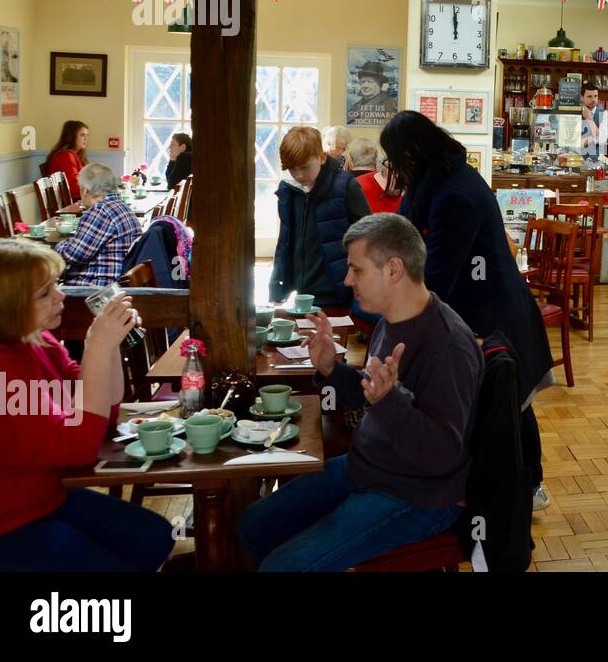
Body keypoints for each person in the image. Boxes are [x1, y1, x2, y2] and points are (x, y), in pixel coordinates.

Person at [238, 215, 481, 571]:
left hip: (417, 494)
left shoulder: (447, 346)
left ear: (393, 269)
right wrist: (330, 370)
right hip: (367, 468)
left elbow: (442, 454)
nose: (347, 279)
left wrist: (387, 402)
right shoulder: (390, 319)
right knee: (251, 526)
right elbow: (371, 392)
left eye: (357, 270)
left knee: (281, 567)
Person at [381, 110, 555, 511]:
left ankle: (522, 490)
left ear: (411, 155)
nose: (395, 171)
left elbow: (439, 273)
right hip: (493, 307)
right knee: (512, 403)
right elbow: (405, 230)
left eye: (395, 160)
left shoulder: (454, 194)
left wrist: (397, 306)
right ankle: (529, 486)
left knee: (508, 403)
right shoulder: (443, 178)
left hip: (495, 314)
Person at [0, 239, 174, 571]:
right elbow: (80, 443)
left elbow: (104, 408)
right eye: (45, 293)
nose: (61, 296)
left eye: (55, 284)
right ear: (6, 306)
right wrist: (98, 346)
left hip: (44, 501)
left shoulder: (35, 339)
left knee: (155, 536)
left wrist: (107, 344)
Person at [269, 127, 371, 308]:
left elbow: (367, 234)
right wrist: (277, 285)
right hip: (302, 291)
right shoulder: (289, 189)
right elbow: (285, 240)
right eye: (292, 169)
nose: (299, 175)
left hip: (338, 290)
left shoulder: (345, 185)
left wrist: (356, 276)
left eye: (304, 167)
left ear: (322, 157)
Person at [56, 163, 143, 287]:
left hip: (94, 290)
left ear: (85, 190)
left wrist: (58, 246)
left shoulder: (100, 212)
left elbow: (73, 254)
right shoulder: (123, 207)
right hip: (115, 286)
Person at [45, 121, 89, 201]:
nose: (86, 139)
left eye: (87, 135)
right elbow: (74, 187)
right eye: (82, 135)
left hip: (77, 199)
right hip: (69, 203)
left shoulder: (76, 155)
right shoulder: (65, 156)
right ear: (72, 136)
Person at [580, 83, 608, 162]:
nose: (593, 99)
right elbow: (571, 142)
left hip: (597, 162)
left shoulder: (606, 114)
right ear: (582, 97)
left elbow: (602, 140)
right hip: (577, 161)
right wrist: (594, 138)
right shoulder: (575, 114)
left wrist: (589, 118)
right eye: (589, 96)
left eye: (595, 96)